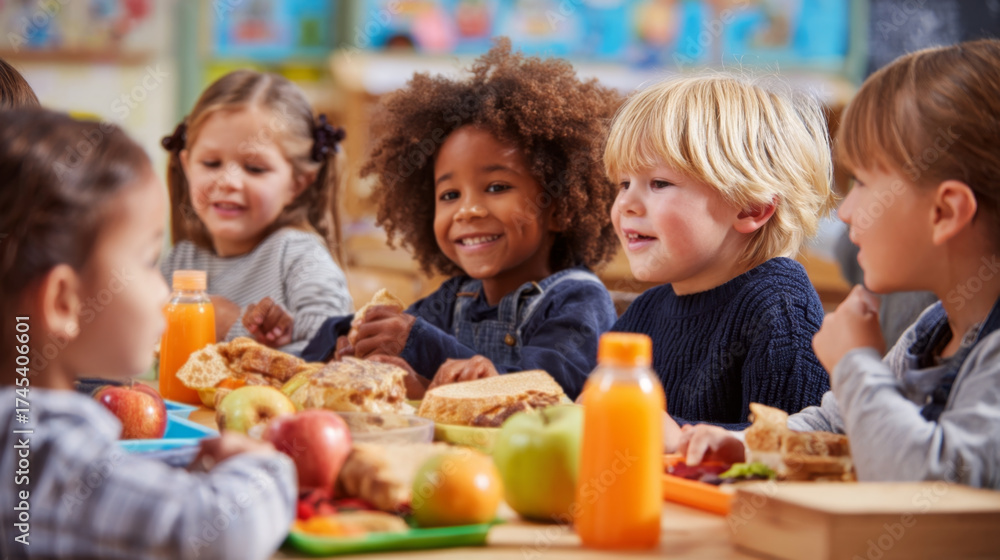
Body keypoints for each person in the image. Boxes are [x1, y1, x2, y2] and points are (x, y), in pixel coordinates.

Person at [679, 40, 1000, 489]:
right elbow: (840, 427)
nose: (846, 212)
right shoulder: (932, 329)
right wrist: (752, 447)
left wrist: (853, 363)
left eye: (864, 183)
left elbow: (931, 483)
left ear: (945, 212)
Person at [0, 109, 295, 559]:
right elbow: (216, 533)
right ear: (63, 302)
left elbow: (105, 477)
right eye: (146, 262)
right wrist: (268, 468)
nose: (163, 289)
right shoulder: (38, 455)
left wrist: (180, 462)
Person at [302, 39, 621, 400]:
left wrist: (417, 343)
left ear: (560, 208)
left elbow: (542, 393)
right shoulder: (455, 297)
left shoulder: (579, 301)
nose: (467, 210)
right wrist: (345, 341)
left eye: (497, 186)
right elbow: (380, 333)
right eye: (450, 195)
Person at [605, 74, 835, 430]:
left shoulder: (780, 306)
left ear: (750, 209)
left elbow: (790, 453)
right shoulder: (647, 312)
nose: (626, 205)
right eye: (623, 184)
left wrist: (676, 435)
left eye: (659, 183)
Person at [161, 70, 352, 355]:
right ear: (187, 166)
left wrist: (232, 326)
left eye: (255, 169)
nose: (227, 181)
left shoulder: (298, 256)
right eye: (211, 163)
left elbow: (334, 345)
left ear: (297, 184)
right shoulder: (181, 260)